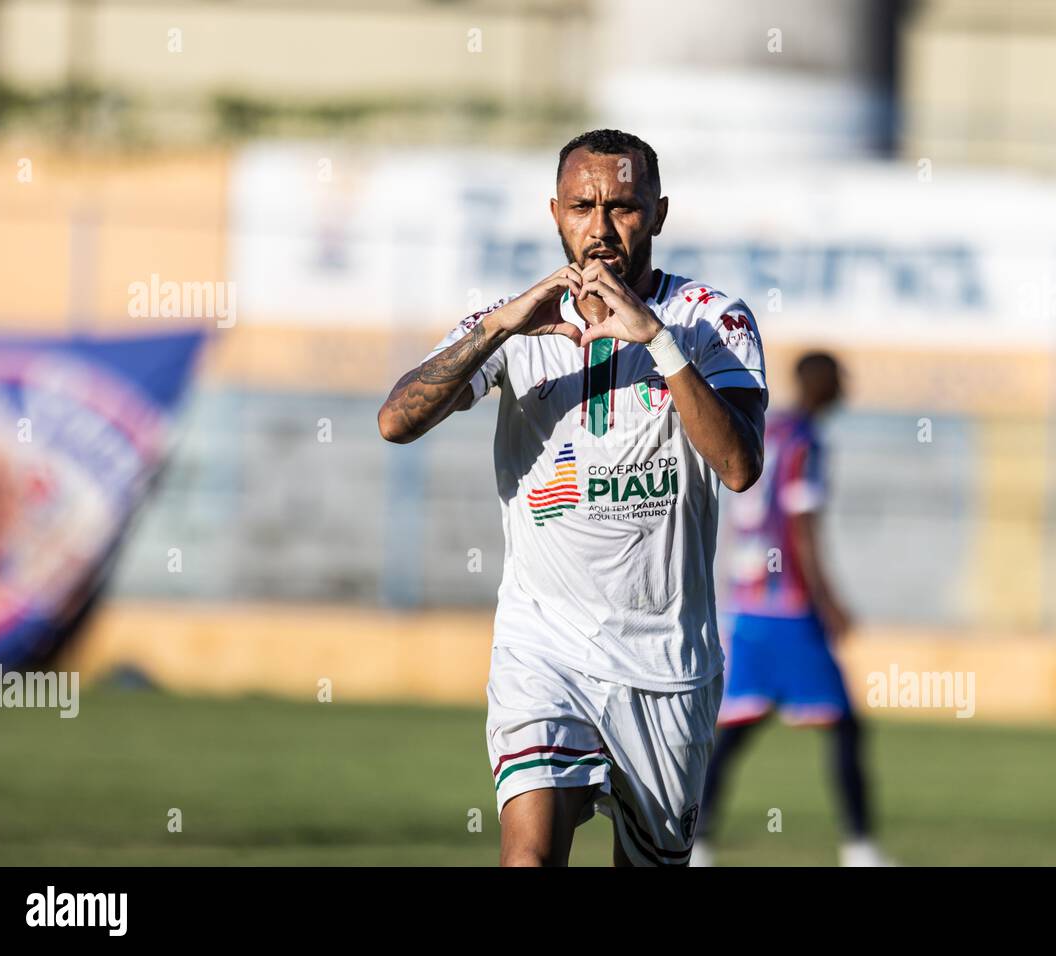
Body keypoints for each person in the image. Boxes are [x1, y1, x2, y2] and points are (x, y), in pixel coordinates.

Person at [378, 129, 768, 866]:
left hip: (668, 666)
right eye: (583, 206)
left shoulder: (713, 320)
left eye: (622, 206)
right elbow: (395, 421)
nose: (601, 227)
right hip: (544, 647)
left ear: (657, 213)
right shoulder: (519, 325)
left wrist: (658, 342)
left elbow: (739, 464)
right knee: (528, 858)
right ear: (555, 211)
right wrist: (496, 328)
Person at [691, 352, 892, 867]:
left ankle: (698, 840)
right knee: (843, 725)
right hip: (788, 605)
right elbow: (802, 529)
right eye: (840, 378)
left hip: (748, 599)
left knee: (737, 726)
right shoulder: (806, 441)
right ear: (820, 383)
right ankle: (860, 848)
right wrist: (828, 600)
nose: (846, 386)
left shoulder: (770, 428)